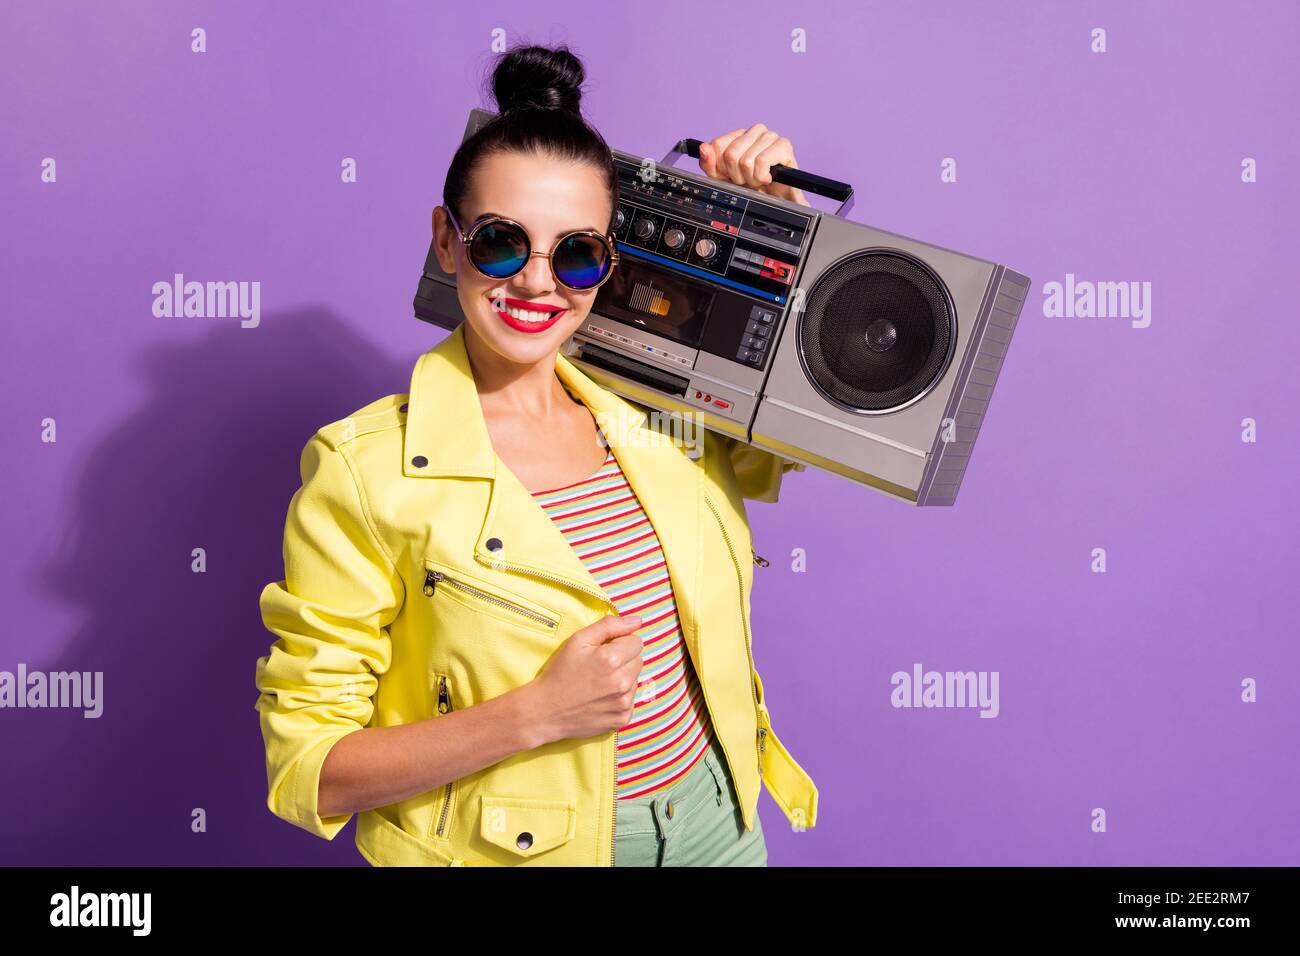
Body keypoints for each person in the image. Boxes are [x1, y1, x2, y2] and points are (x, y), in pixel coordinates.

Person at [254, 42, 817, 867]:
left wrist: (781, 224)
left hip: (719, 825)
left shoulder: (663, 421)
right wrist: (536, 714)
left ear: (608, 264)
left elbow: (806, 426)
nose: (537, 284)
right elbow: (309, 770)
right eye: (501, 244)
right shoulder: (364, 472)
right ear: (447, 242)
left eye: (579, 252)